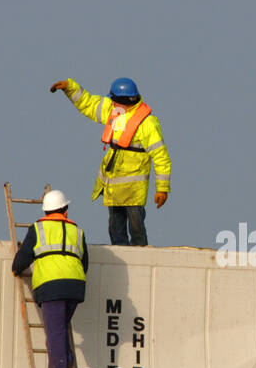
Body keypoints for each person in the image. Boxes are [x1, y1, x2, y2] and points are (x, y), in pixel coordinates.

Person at [49, 76, 171, 246]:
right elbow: (89, 103)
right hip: (113, 184)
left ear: (121, 99)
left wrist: (162, 189)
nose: (111, 102)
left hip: (133, 189)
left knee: (136, 228)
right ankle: (122, 256)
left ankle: (142, 257)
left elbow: (161, 156)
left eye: (113, 99)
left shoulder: (147, 123)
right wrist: (70, 88)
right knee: (115, 228)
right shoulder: (114, 111)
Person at [11, 189, 87, 368]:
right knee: (61, 329)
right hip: (75, 286)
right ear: (65, 209)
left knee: (54, 335)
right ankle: (69, 365)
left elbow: (25, 255)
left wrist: (16, 268)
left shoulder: (38, 228)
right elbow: (85, 262)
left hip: (51, 286)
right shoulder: (78, 231)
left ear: (45, 211)